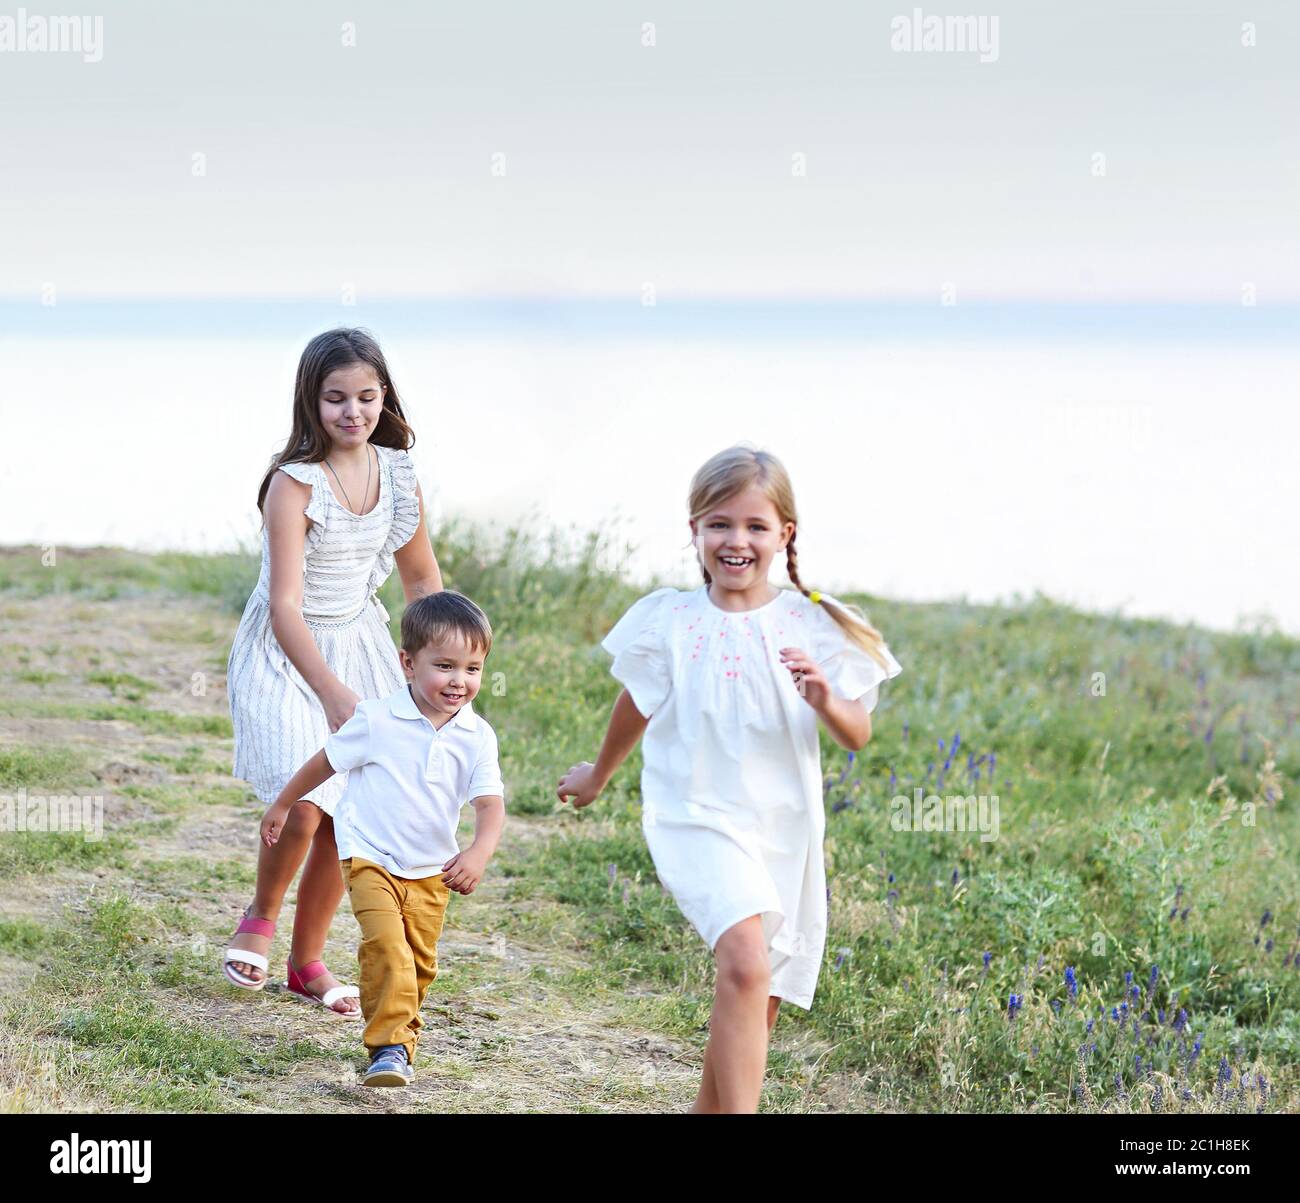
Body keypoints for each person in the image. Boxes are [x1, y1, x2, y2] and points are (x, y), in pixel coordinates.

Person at [557, 443, 902, 1112]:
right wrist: (598, 774)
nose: (736, 540)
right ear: (694, 530)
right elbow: (636, 701)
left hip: (782, 828)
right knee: (745, 963)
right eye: (719, 523)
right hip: (694, 815)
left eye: (755, 526)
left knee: (756, 993)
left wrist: (826, 698)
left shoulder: (814, 623)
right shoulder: (671, 618)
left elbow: (857, 733)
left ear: (785, 534)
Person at [223, 328, 443, 1015]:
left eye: (367, 396)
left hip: (360, 642)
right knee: (306, 799)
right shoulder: (293, 485)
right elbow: (284, 606)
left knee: (346, 811)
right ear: (311, 401)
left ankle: (307, 961)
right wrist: (330, 691)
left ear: (385, 396)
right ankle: (260, 915)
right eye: (336, 398)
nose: (354, 411)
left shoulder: (398, 474)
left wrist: (438, 662)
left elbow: (421, 580)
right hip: (286, 649)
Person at [263, 591, 506, 1085]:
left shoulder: (477, 736)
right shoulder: (377, 719)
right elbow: (326, 761)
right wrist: (284, 803)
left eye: (473, 669)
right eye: (444, 666)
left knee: (417, 965)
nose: (459, 681)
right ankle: (388, 1048)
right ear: (408, 663)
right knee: (387, 947)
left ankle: (401, 1043)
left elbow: (489, 804)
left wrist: (479, 852)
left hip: (432, 868)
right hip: (369, 856)